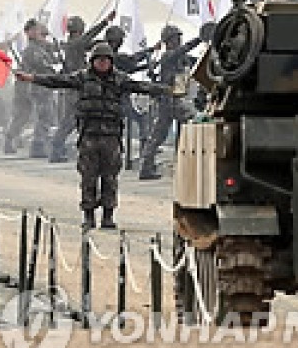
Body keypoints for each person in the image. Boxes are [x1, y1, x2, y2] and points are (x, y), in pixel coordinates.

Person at [16, 42, 169, 228]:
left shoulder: (120, 79)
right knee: (88, 177)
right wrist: (32, 78)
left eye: (106, 60)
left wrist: (166, 90)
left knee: (110, 178)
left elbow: (142, 86)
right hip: (89, 136)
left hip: (111, 136)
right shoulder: (82, 78)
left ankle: (108, 215)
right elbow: (57, 80)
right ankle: (88, 215)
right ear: (93, 61)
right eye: (99, 60)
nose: (103, 63)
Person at [138, 24, 208, 180]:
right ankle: (150, 167)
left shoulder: (179, 58)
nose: (179, 41)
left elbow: (194, 61)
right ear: (169, 41)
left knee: (160, 135)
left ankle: (150, 167)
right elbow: (183, 50)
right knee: (195, 121)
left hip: (176, 98)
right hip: (169, 100)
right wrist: (199, 38)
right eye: (176, 38)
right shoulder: (168, 56)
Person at [48, 11, 116, 162]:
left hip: (73, 87)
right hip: (74, 88)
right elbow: (88, 39)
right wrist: (105, 22)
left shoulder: (72, 44)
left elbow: (91, 44)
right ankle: (56, 150)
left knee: (73, 120)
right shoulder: (75, 43)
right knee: (70, 121)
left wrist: (106, 41)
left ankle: (60, 149)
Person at [4, 20, 60, 157]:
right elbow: (43, 65)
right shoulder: (32, 49)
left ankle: (12, 140)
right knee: (42, 115)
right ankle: (37, 146)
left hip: (33, 85)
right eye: (35, 30)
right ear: (28, 32)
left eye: (39, 31)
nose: (38, 33)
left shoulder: (41, 48)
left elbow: (55, 55)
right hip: (34, 85)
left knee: (28, 115)